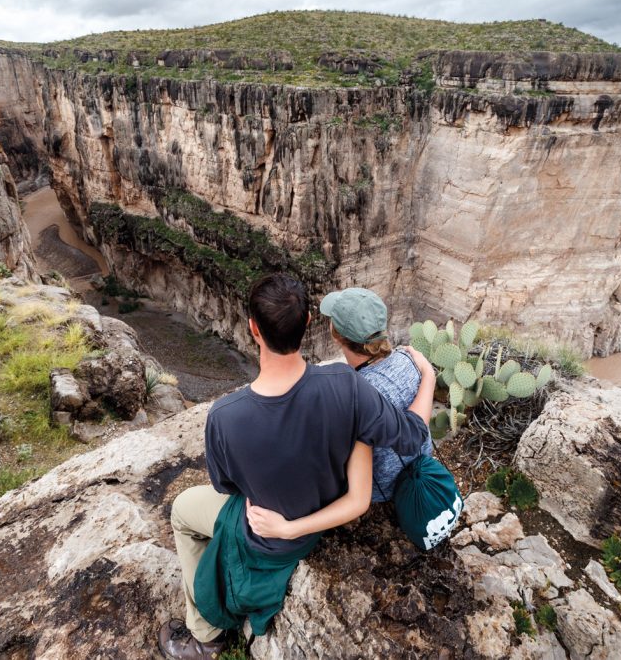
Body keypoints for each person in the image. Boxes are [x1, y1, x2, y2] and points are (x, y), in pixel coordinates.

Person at [159, 274, 436, 660]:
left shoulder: (225, 417)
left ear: (253, 329)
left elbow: (225, 486)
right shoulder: (348, 385)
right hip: (320, 519)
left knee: (183, 510)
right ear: (308, 324)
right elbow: (412, 434)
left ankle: (205, 638)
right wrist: (429, 375)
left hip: (267, 534)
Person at [246, 287, 434, 542]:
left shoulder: (351, 396)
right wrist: (429, 374)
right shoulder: (409, 359)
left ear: (336, 335)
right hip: (421, 466)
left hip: (384, 489)